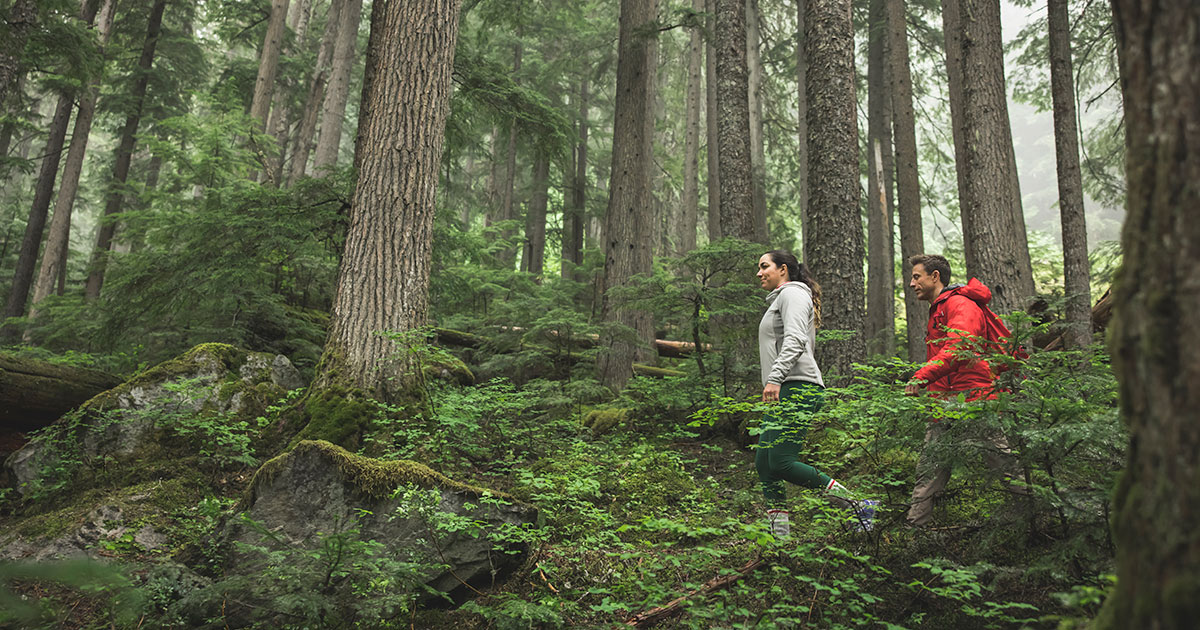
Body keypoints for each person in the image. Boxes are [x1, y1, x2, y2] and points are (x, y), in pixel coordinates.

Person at [755, 250, 877, 538]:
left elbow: (796, 339)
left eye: (764, 267)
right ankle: (780, 540)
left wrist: (774, 378)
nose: (759, 273)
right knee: (766, 464)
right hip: (785, 388)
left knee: (782, 461)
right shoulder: (782, 298)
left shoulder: (793, 294)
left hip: (798, 386)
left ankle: (858, 505)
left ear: (783, 269)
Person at [903, 254, 1021, 527]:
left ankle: (1035, 518)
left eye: (916, 276)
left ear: (935, 277)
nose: (912, 283)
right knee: (930, 467)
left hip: (974, 401)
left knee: (1004, 466)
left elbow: (960, 348)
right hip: (945, 403)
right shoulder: (940, 307)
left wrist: (921, 376)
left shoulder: (960, 304)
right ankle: (914, 530)